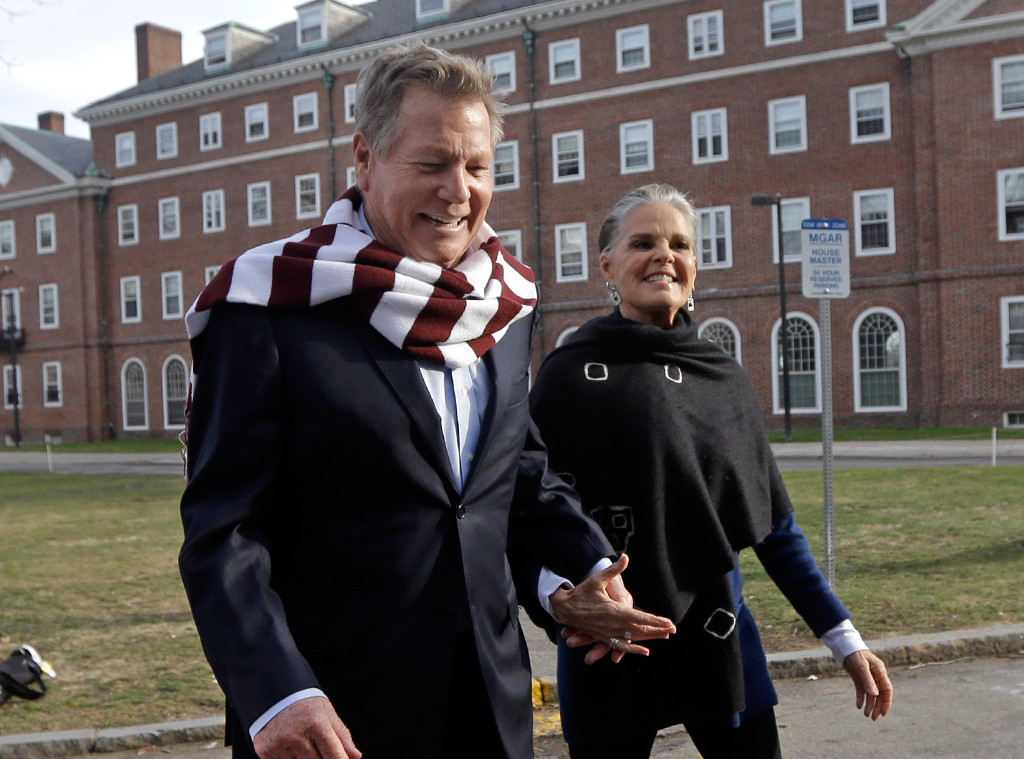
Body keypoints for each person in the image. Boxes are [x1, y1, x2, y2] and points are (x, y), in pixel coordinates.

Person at [177, 44, 675, 759]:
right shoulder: (268, 304)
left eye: (476, 167)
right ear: (365, 157)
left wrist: (577, 574)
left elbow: (513, 478)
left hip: (491, 708)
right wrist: (278, 691)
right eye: (432, 163)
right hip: (332, 718)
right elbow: (223, 531)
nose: (458, 190)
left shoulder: (504, 305)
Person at [528, 184, 894, 758]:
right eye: (642, 242)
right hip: (610, 643)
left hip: (718, 637)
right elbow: (529, 514)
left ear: (696, 264)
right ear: (607, 265)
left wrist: (843, 637)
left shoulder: (722, 377)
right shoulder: (568, 375)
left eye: (680, 244)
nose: (663, 256)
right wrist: (559, 595)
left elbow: (771, 522)